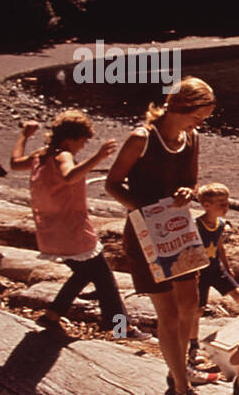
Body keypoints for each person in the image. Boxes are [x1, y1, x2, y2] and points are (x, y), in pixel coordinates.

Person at [105, 77, 218, 395]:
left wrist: (189, 192)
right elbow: (112, 184)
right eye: (198, 115)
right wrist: (143, 210)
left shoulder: (192, 138)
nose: (201, 123)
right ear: (179, 107)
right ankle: (181, 390)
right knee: (167, 315)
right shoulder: (141, 139)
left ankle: (181, 368)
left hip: (179, 230)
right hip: (145, 233)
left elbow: (192, 181)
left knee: (189, 305)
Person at [9, 113, 145, 340]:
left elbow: (14, 163)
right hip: (72, 229)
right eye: (82, 141)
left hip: (51, 230)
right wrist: (98, 157)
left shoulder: (40, 156)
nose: (83, 146)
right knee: (104, 279)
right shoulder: (64, 155)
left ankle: (52, 315)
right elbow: (69, 177)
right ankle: (122, 328)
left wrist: (24, 135)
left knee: (84, 273)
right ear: (69, 139)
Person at [188, 183, 239, 370]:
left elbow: (220, 246)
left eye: (227, 203)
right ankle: (193, 345)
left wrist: (227, 267)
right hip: (200, 272)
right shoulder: (196, 226)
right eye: (221, 204)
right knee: (197, 310)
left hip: (216, 269)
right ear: (206, 205)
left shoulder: (220, 224)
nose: (226, 208)